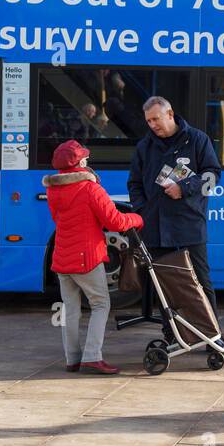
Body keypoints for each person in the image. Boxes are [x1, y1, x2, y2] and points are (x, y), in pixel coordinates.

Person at [126, 96, 224, 355]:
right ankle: (172, 334)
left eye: (156, 119)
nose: (153, 125)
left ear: (170, 114)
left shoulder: (197, 140)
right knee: (165, 286)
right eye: (149, 121)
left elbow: (212, 175)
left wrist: (183, 188)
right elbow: (134, 184)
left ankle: (213, 337)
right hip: (156, 228)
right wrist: (142, 211)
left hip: (189, 224)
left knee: (201, 282)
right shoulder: (144, 147)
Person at [44, 139, 143, 375]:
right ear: (81, 162)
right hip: (86, 257)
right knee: (100, 304)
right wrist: (138, 219)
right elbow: (116, 222)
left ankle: (73, 358)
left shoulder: (53, 189)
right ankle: (92, 356)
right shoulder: (90, 188)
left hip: (62, 259)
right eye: (85, 158)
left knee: (70, 310)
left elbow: (59, 221)